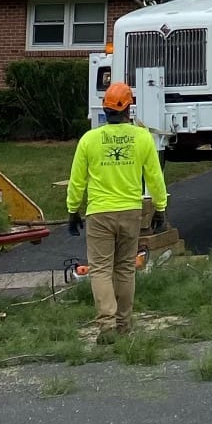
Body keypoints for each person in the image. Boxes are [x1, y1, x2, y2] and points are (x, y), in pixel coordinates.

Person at [66, 80, 169, 337]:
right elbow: (155, 178)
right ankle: (124, 325)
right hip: (130, 212)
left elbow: (77, 180)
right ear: (129, 108)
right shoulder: (142, 137)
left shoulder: (89, 140)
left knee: (100, 270)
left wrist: (72, 210)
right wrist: (160, 208)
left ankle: (106, 325)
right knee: (124, 268)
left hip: (99, 213)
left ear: (106, 108)